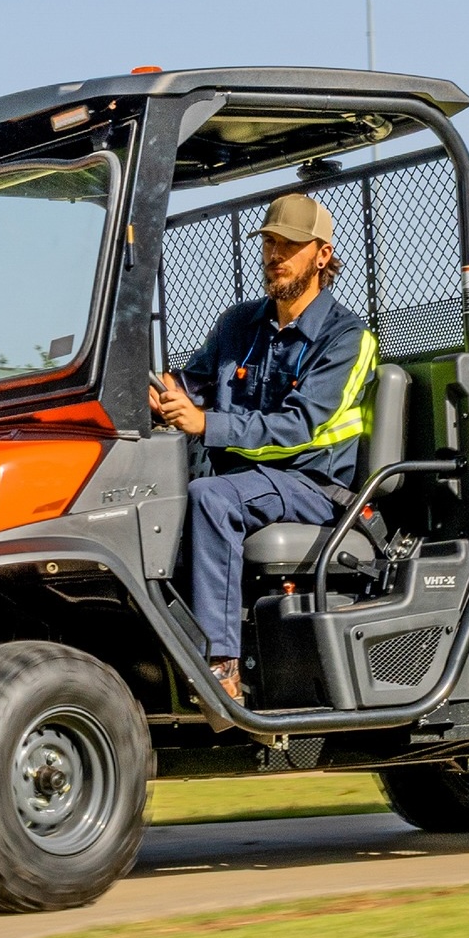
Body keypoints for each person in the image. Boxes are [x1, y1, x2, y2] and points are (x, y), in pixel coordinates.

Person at [151, 193, 377, 703]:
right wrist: (166, 394)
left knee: (212, 497)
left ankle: (221, 667)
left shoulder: (347, 338)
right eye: (270, 243)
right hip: (240, 478)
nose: (276, 256)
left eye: (290, 246)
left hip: (313, 485)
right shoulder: (239, 324)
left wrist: (206, 423)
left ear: (322, 254)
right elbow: (198, 387)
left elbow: (300, 428)